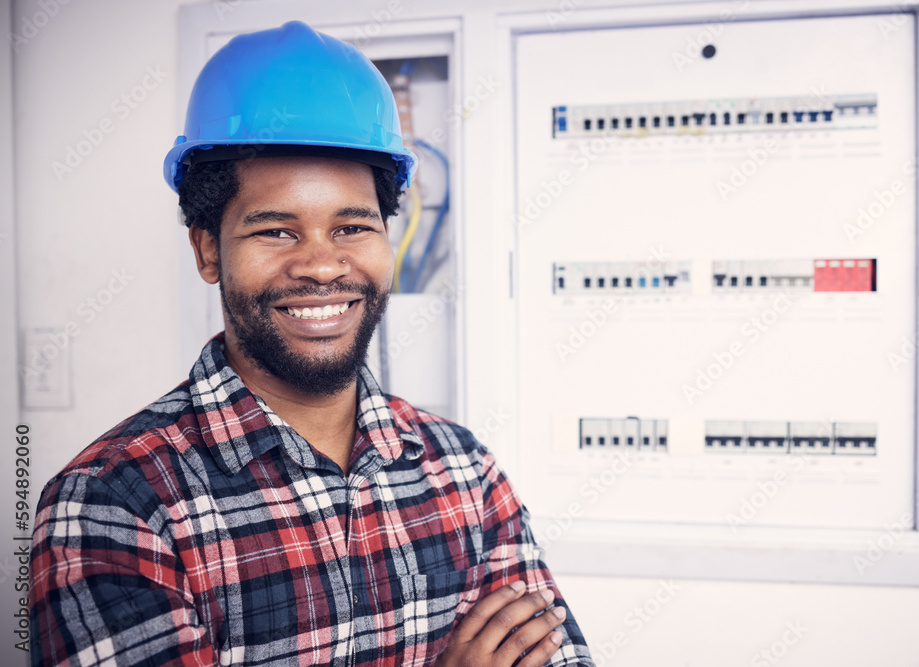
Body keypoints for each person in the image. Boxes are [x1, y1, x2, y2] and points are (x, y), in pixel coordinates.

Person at [29, 20, 593, 667]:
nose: (324, 266)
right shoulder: (114, 505)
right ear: (208, 248)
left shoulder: (466, 473)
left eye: (352, 225)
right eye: (276, 231)